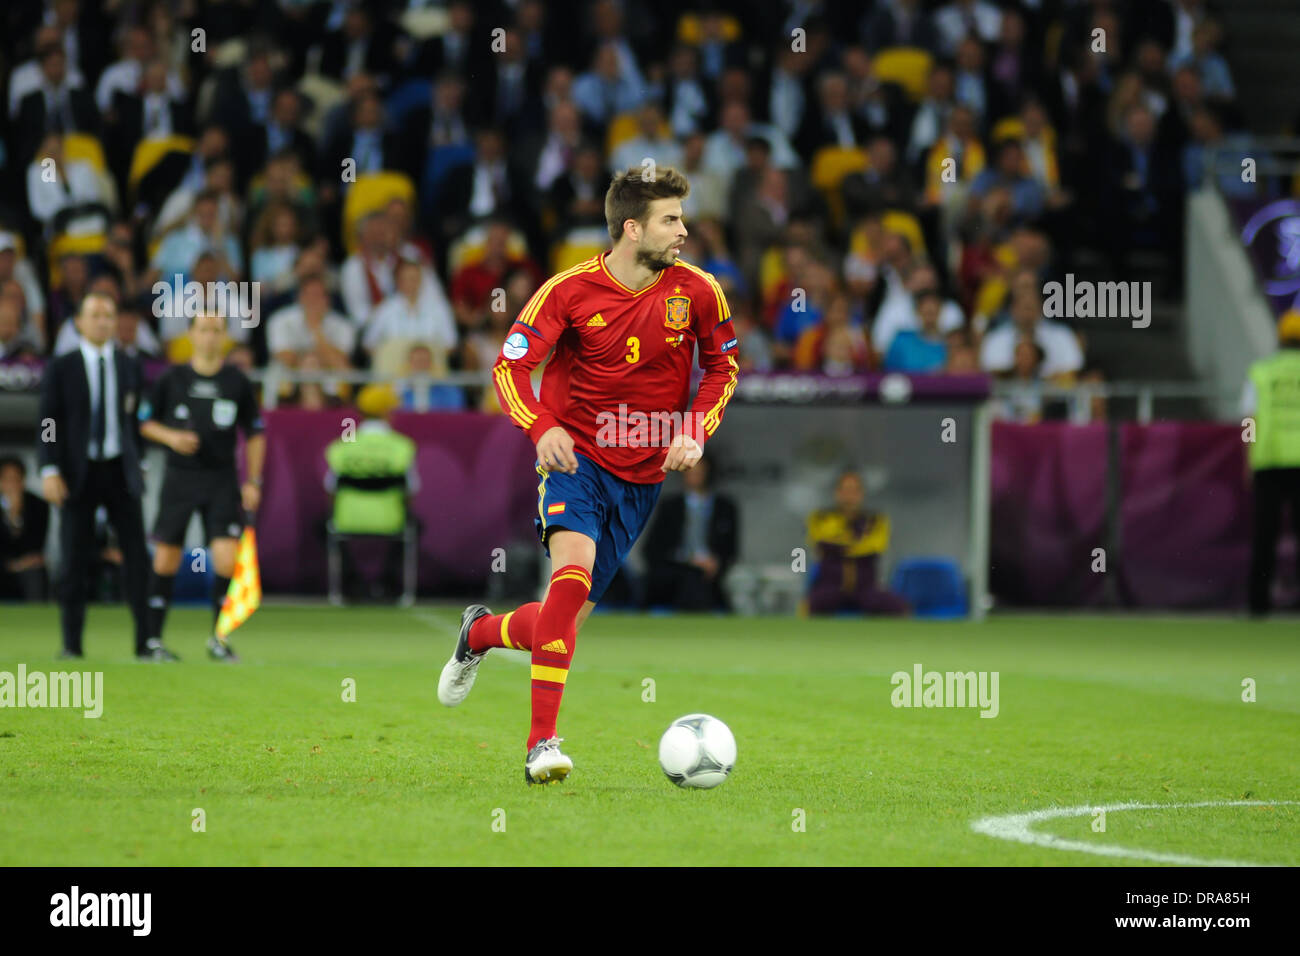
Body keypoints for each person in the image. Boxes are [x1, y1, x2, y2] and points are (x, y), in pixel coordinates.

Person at [436, 166, 740, 785]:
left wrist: (695, 429)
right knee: (569, 581)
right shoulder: (568, 292)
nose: (684, 230)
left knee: (561, 621)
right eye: (671, 220)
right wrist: (541, 426)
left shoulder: (700, 291)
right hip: (576, 460)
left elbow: (723, 368)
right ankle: (540, 745)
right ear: (632, 228)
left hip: (644, 475)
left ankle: (481, 632)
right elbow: (509, 369)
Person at [37, 292, 165, 659]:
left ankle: (145, 642)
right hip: (77, 471)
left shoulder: (129, 365)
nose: (102, 322)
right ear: (78, 321)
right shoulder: (62, 366)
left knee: (137, 557)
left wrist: (138, 463)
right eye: (94, 315)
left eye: (108, 315)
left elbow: (135, 420)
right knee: (74, 558)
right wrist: (48, 467)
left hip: (119, 470)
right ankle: (71, 645)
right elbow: (48, 422)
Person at [138, 311, 265, 661]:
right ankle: (152, 641)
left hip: (222, 480)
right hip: (180, 479)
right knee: (166, 558)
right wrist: (172, 437)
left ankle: (218, 639)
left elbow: (255, 433)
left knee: (226, 560)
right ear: (191, 334)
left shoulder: (236, 381)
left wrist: (253, 480)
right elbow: (144, 422)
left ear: (224, 336)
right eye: (204, 329)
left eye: (217, 330)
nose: (210, 336)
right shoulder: (171, 378)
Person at [323, 385, 418, 602]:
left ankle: (351, 584)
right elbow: (410, 490)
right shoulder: (402, 446)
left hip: (346, 520)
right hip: (391, 520)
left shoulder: (342, 446)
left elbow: (330, 489)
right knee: (415, 526)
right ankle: (387, 586)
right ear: (387, 412)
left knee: (322, 527)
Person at [1241, 310, 1300, 616]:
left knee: (1265, 537)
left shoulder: (1261, 372)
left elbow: (1249, 420)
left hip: (1269, 462)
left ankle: (1258, 606)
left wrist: (1248, 456)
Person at [642, 454, 738, 611]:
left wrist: (715, 563)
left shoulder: (725, 507)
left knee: (698, 583)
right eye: (691, 471)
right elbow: (652, 549)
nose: (695, 475)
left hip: (710, 575)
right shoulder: (670, 506)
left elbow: (730, 549)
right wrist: (687, 560)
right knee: (691, 580)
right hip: (675, 571)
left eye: (700, 471)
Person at [806, 470, 908, 617]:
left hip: (865, 587)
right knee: (812, 605)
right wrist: (857, 544)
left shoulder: (877, 520)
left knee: (898, 606)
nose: (849, 495)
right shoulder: (820, 517)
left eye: (854, 490)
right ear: (837, 492)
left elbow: (876, 547)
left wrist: (840, 545)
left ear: (861, 494)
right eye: (845, 490)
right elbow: (821, 542)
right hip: (831, 585)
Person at [0, 456, 50, 601]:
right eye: (7, 479)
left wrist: (16, 518)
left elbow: (36, 546)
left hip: (28, 566)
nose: (12, 484)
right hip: (4, 566)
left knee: (35, 572)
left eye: (16, 479)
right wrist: (13, 565)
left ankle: (37, 618)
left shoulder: (38, 505)